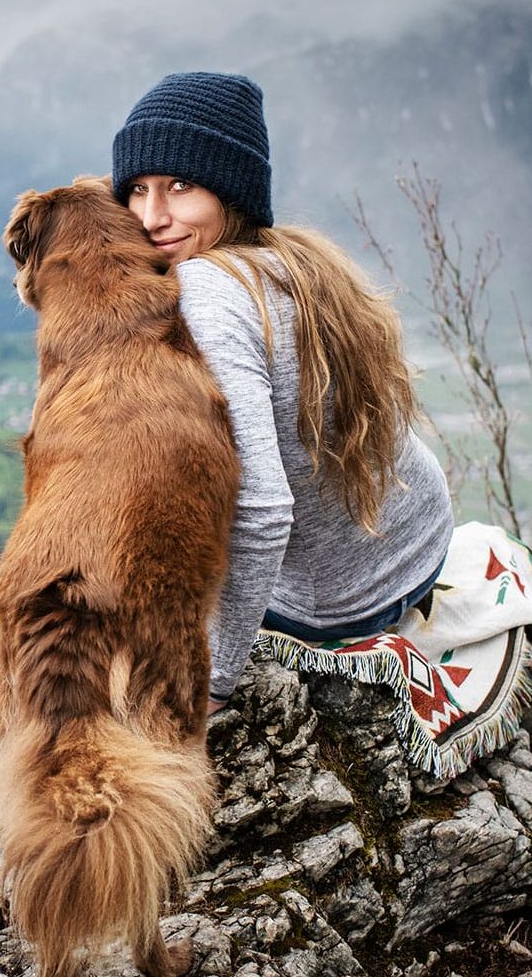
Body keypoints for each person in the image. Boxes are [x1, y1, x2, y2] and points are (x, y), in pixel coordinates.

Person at [111, 72, 455, 714]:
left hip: (344, 599)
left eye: (180, 185)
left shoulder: (207, 295)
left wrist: (214, 681)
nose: (151, 217)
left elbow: (264, 510)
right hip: (422, 541)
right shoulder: (299, 261)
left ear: (230, 188)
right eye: (137, 189)